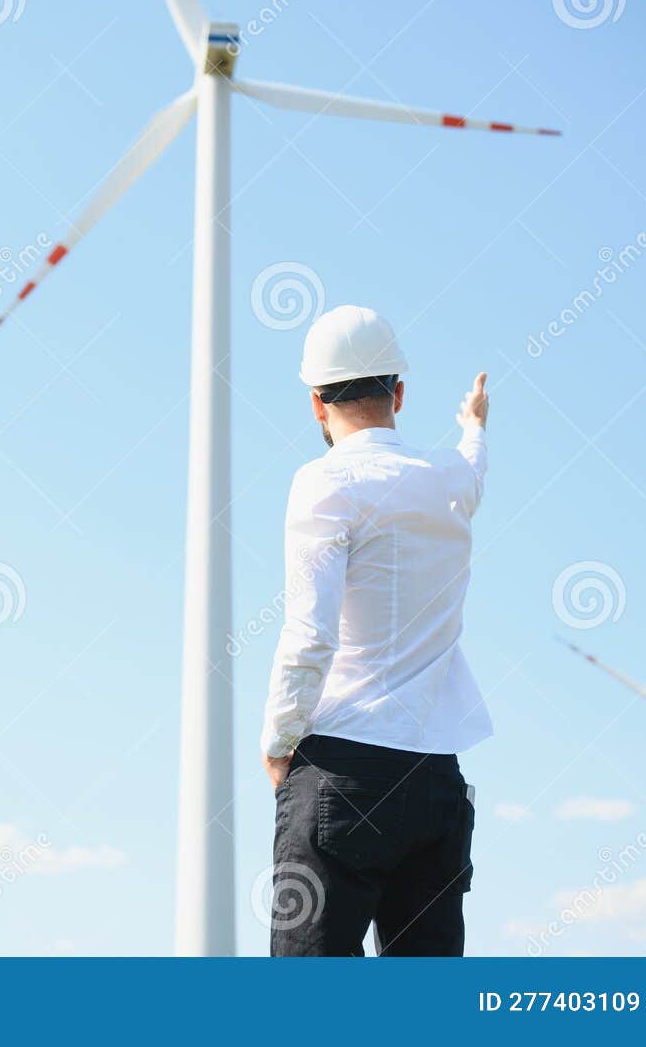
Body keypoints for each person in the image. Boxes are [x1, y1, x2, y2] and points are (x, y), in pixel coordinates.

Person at [259, 304, 491, 957]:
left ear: (315, 404)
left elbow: (311, 633)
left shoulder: (322, 483)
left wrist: (278, 742)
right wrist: (472, 424)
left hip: (341, 771)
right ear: (399, 392)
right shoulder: (448, 479)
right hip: (435, 781)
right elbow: (474, 468)